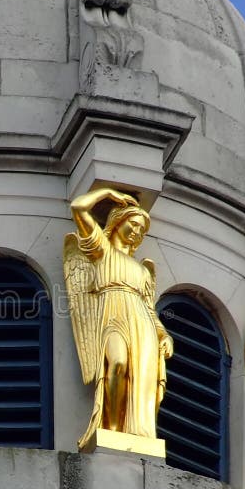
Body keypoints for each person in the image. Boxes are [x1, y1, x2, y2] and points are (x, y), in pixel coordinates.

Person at [64, 188, 173, 449]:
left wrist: (163, 334)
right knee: (118, 363)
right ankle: (110, 430)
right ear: (118, 223)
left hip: (141, 321)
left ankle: (129, 434)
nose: (137, 232)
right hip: (112, 313)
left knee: (141, 378)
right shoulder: (102, 251)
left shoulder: (143, 270)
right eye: (132, 224)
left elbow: (149, 308)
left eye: (142, 229)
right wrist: (107, 193)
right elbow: (78, 208)